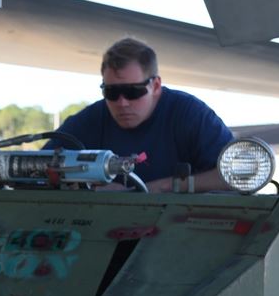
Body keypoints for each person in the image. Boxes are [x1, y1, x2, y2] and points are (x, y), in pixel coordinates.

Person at [48, 37, 234, 192]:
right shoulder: (91, 119)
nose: (122, 103)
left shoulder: (190, 115)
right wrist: (87, 187)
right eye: (111, 93)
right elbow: (36, 168)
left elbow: (239, 173)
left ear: (156, 86)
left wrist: (163, 187)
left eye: (133, 92)